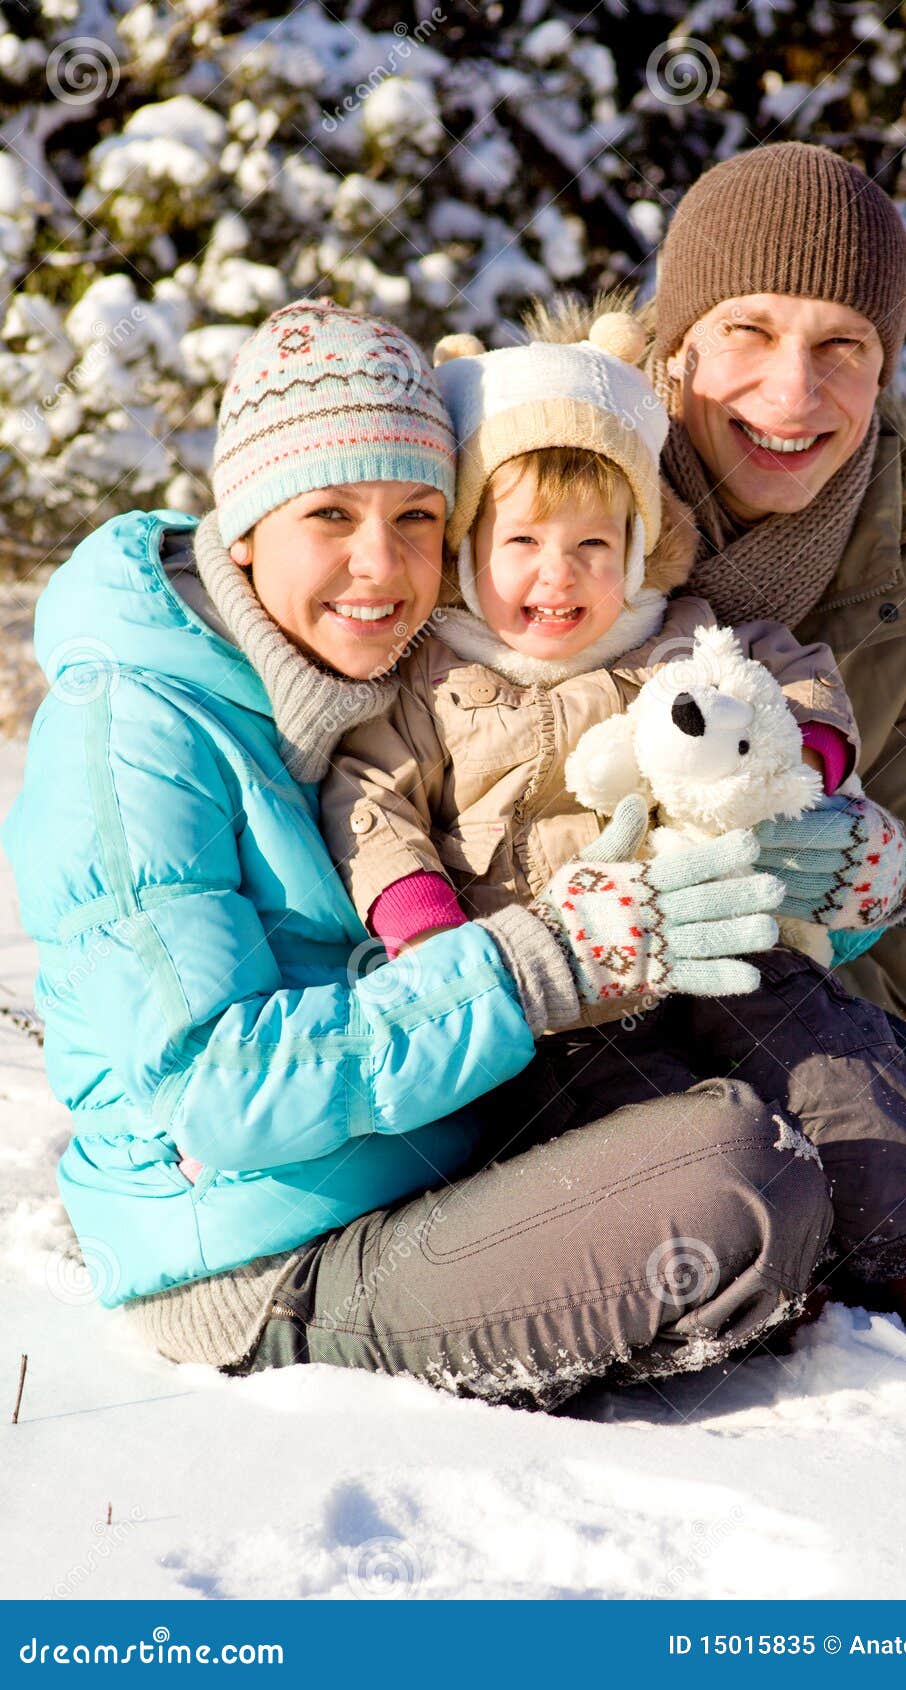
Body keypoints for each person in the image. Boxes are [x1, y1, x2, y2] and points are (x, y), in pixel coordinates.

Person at [2, 300, 832, 1407]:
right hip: (269, 1256)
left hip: (438, 1155)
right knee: (741, 1174)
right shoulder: (133, 737)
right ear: (245, 526)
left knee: (853, 1068)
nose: (378, 565)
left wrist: (790, 870)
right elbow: (218, 1089)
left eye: (416, 518)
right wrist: (531, 962)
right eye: (331, 514)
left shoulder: (333, 680)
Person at [317, 312, 906, 1372]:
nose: (556, 579)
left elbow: (789, 683)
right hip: (550, 1002)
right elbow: (368, 800)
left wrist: (808, 777)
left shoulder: (676, 633)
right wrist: (425, 924)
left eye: (591, 546)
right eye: (520, 542)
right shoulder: (431, 678)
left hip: (716, 948)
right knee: (647, 1126)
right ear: (468, 546)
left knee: (834, 1056)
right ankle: (775, 1254)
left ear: (640, 544)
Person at [642, 139, 906, 1028]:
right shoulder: (524, 513)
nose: (793, 392)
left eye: (841, 344)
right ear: (677, 345)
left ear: (883, 366)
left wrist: (767, 1042)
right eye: (749, 330)